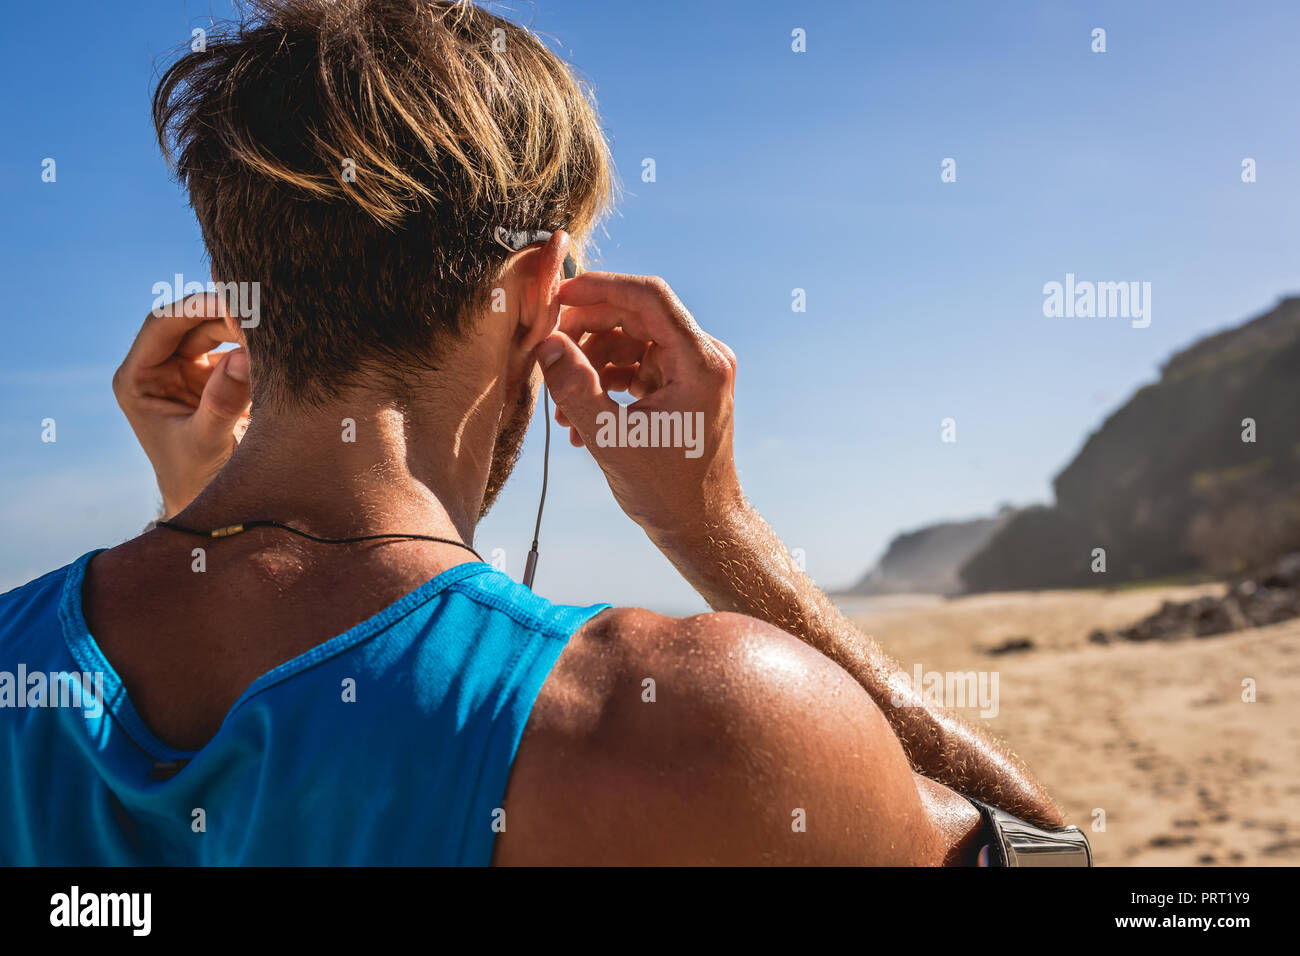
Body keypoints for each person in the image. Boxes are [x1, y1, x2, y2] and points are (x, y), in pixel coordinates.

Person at [0, 0, 1073, 865]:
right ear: (533, 289)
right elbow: (1046, 855)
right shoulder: (685, 724)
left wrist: (194, 516)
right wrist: (714, 528)